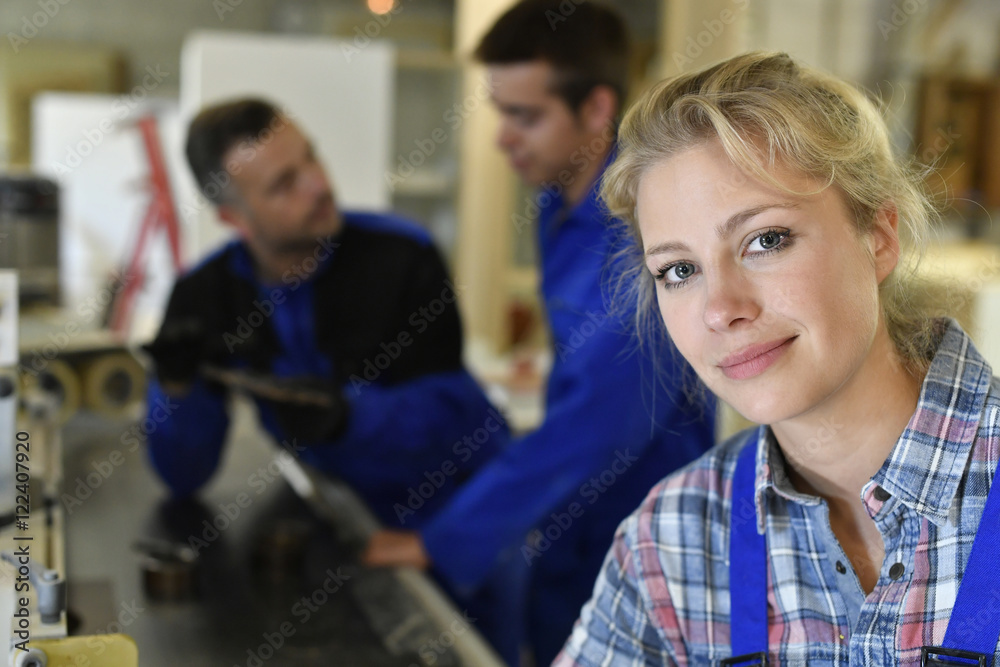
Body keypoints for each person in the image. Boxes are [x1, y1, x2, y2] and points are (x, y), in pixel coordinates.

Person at [554, 50, 1000, 665]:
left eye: (766, 240)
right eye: (679, 270)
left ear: (879, 237)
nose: (721, 308)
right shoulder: (674, 541)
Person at [362, 2, 717, 664]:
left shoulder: (639, 238)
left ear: (595, 109)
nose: (502, 137)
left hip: (647, 551)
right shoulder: (561, 203)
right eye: (500, 111)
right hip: (576, 526)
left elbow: (593, 424)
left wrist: (443, 539)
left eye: (523, 115)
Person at [142, 98, 520, 661]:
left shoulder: (402, 258)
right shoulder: (204, 298)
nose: (319, 184)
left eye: (311, 158)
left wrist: (350, 419)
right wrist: (177, 394)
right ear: (234, 217)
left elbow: (453, 416)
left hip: (460, 518)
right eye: (284, 183)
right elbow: (182, 477)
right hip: (342, 521)